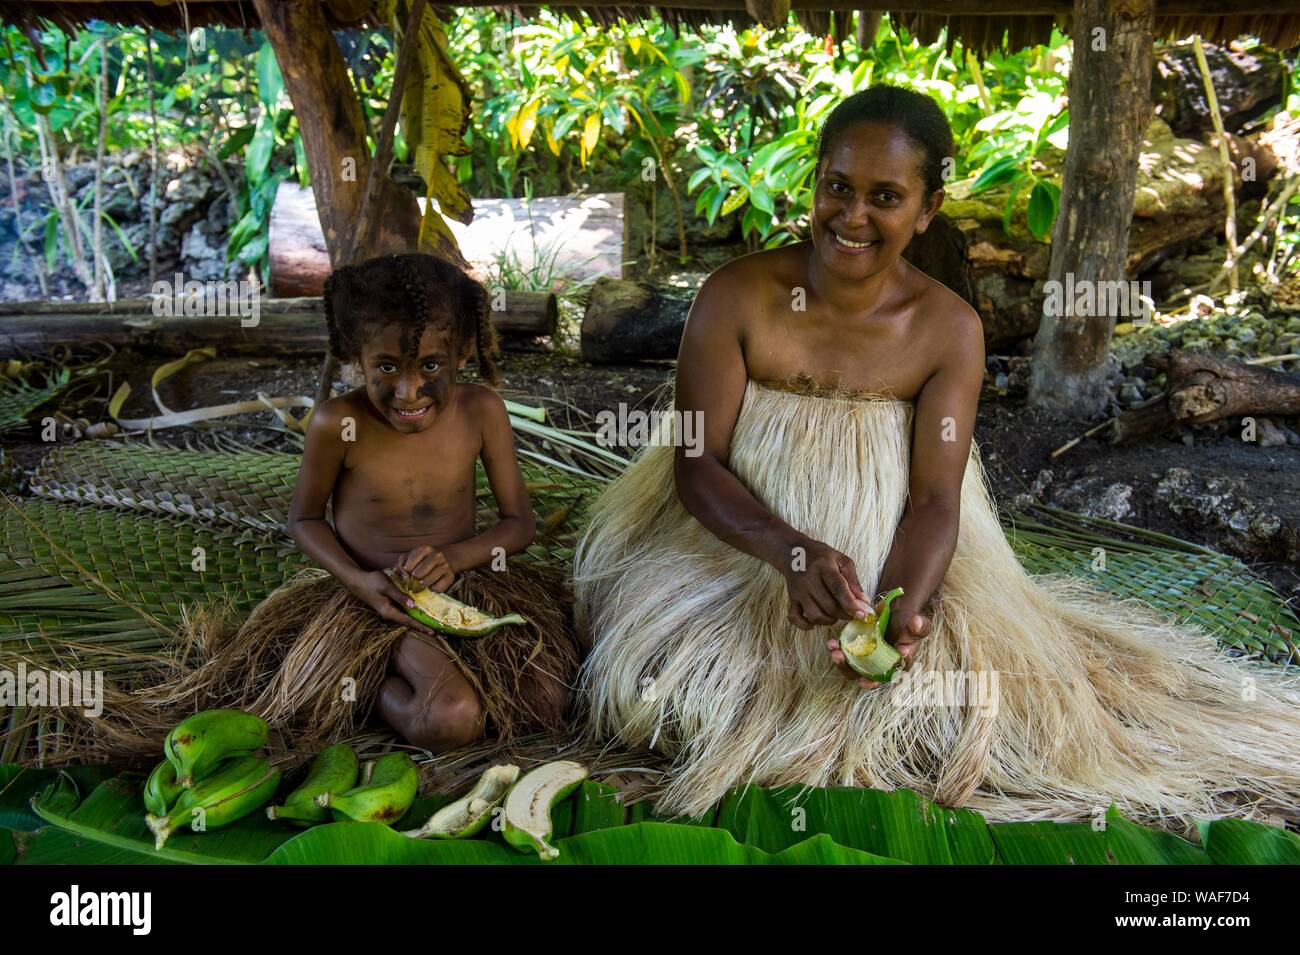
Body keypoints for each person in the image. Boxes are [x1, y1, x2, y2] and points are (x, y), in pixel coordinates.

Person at [573, 85, 1300, 830]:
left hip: (891, 554)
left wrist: (900, 608)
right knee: (660, 695)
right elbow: (697, 464)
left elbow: (933, 503)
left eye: (884, 197)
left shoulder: (948, 329)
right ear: (815, 181)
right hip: (735, 548)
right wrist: (787, 551)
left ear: (926, 210)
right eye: (837, 188)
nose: (852, 217)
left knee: (971, 716)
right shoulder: (737, 296)